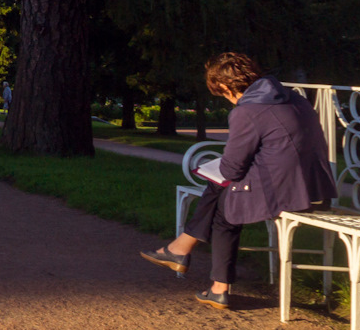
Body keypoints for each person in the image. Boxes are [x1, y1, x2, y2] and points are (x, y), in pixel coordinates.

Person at [141, 52, 337, 308]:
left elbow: (232, 168)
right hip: (316, 188)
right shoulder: (295, 99)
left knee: (224, 203)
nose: (227, 100)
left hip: (289, 192)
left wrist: (222, 167)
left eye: (221, 94)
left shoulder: (248, 111)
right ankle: (191, 260)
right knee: (222, 192)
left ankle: (201, 268)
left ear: (225, 87)